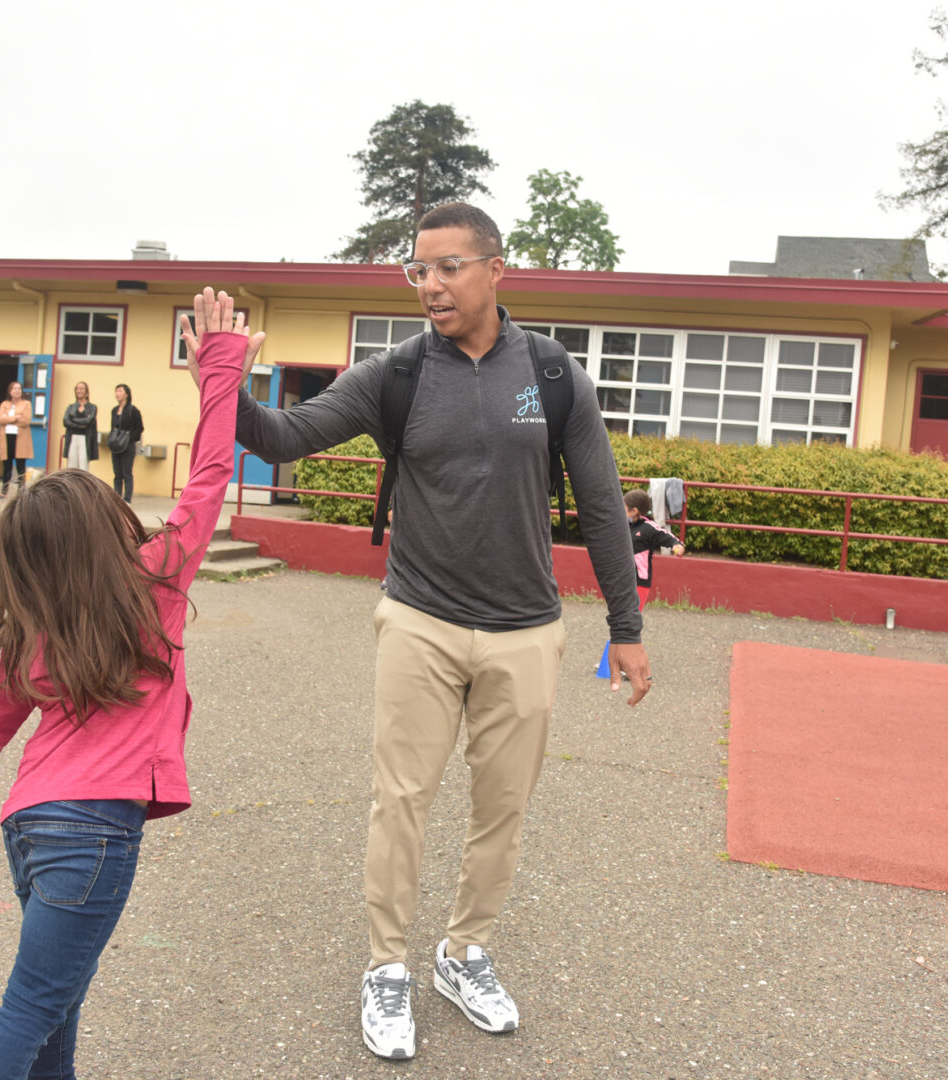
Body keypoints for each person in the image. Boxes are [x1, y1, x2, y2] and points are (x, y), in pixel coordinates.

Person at [226, 203, 652, 1061]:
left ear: (498, 269)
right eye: (417, 270)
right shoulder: (398, 375)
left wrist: (626, 627)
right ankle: (387, 966)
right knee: (402, 803)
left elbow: (604, 505)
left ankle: (464, 954)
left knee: (503, 810)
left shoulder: (554, 373)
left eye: (449, 266)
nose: (430, 285)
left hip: (525, 632)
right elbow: (280, 438)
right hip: (419, 620)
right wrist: (222, 377)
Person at [0, 290, 252, 1079]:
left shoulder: (30, 629)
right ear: (109, 520)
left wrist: (2, 658)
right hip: (93, 831)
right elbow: (210, 478)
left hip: (31, 825)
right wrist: (219, 365)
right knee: (30, 1010)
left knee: (57, 1005)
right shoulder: (152, 579)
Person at [0, 381, 32, 498]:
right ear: (10, 391)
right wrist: (15, 417)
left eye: (19, 389)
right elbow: (0, 420)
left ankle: (21, 492)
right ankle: (4, 491)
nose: (17, 391)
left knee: (20, 465)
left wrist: (8, 418)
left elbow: (25, 421)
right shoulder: (4, 404)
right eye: (14, 388)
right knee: (7, 465)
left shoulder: (26, 404)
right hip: (7, 438)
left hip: (20, 438)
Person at [108, 383, 144, 502]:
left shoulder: (132, 410)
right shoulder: (114, 410)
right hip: (116, 445)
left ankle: (127, 500)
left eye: (120, 391)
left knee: (127, 473)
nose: (117, 394)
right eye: (116, 391)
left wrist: (130, 439)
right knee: (117, 474)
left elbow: (140, 428)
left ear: (126, 394)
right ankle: (117, 498)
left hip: (127, 446)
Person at [60, 381, 98, 471]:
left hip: (85, 439)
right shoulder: (71, 407)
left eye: (81, 388)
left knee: (83, 466)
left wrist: (73, 419)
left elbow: (89, 421)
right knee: (71, 467)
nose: (79, 391)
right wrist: (81, 424)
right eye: (77, 388)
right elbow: (65, 422)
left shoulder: (92, 407)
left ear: (86, 392)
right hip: (72, 438)